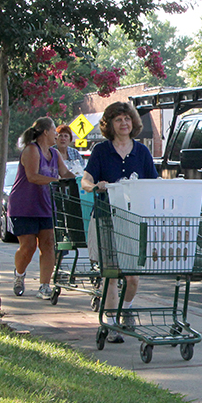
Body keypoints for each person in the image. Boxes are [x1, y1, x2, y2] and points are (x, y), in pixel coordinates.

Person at [81, 101, 157, 343]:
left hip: (133, 221)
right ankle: (111, 323)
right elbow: (85, 181)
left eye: (127, 118)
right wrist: (96, 186)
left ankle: (127, 309)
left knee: (133, 277)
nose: (124, 123)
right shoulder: (101, 151)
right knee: (111, 275)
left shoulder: (142, 152)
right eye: (118, 119)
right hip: (106, 217)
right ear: (110, 124)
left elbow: (153, 183)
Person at [8, 117, 75, 299]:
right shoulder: (31, 150)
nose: (57, 135)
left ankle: (44, 286)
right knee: (28, 246)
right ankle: (19, 274)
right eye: (55, 131)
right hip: (24, 207)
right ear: (46, 132)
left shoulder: (55, 154)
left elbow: (66, 173)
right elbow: (33, 176)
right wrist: (58, 181)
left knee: (48, 245)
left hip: (46, 206)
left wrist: (78, 180)